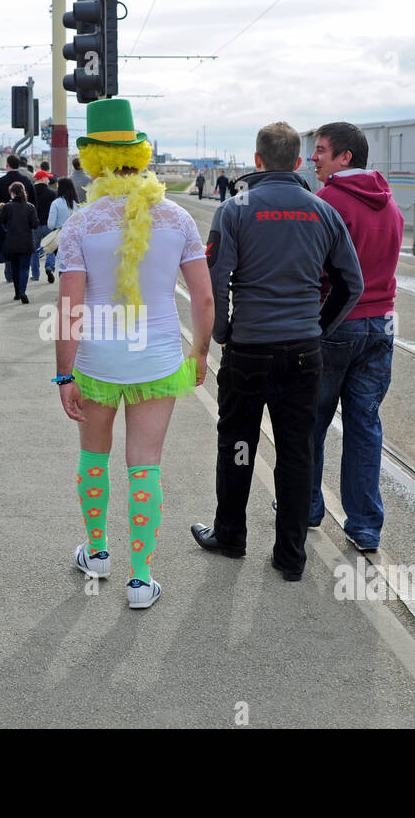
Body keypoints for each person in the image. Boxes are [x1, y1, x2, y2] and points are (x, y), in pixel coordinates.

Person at [56, 98, 214, 610]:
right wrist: (200, 352)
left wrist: (64, 375)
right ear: (141, 154)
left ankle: (98, 553)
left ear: (93, 161)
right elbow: (206, 299)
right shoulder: (178, 218)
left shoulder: (80, 225)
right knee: (145, 464)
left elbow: (69, 306)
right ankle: (141, 579)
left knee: (93, 454)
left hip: (98, 359)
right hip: (160, 357)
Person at [194, 121, 364, 582]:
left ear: (257, 161)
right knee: (295, 451)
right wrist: (318, 327)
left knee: (239, 443)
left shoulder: (235, 209)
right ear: (295, 163)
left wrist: (226, 332)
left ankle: (230, 535)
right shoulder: (321, 211)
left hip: (249, 352)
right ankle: (290, 556)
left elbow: (215, 281)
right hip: (303, 353)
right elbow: (353, 283)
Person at [308, 122, 403, 553]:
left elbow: (317, 271)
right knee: (365, 426)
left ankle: (308, 505)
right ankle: (365, 526)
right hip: (381, 325)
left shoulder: (327, 201)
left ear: (345, 157)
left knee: (312, 422)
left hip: (336, 325)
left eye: (322, 151)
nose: (315, 158)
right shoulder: (391, 205)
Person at [0, 181, 39, 304]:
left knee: (15, 268)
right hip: (26, 242)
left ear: (12, 193)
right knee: (24, 268)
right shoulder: (30, 207)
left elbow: (2, 221)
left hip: (11, 242)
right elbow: (35, 224)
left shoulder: (7, 207)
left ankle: (17, 293)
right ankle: (22, 291)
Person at [32, 171, 57, 283]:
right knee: (50, 248)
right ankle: (49, 267)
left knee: (34, 250)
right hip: (48, 225)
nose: (48, 180)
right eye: (47, 178)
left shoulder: (30, 192)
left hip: (35, 225)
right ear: (42, 179)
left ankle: (35, 274)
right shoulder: (52, 193)